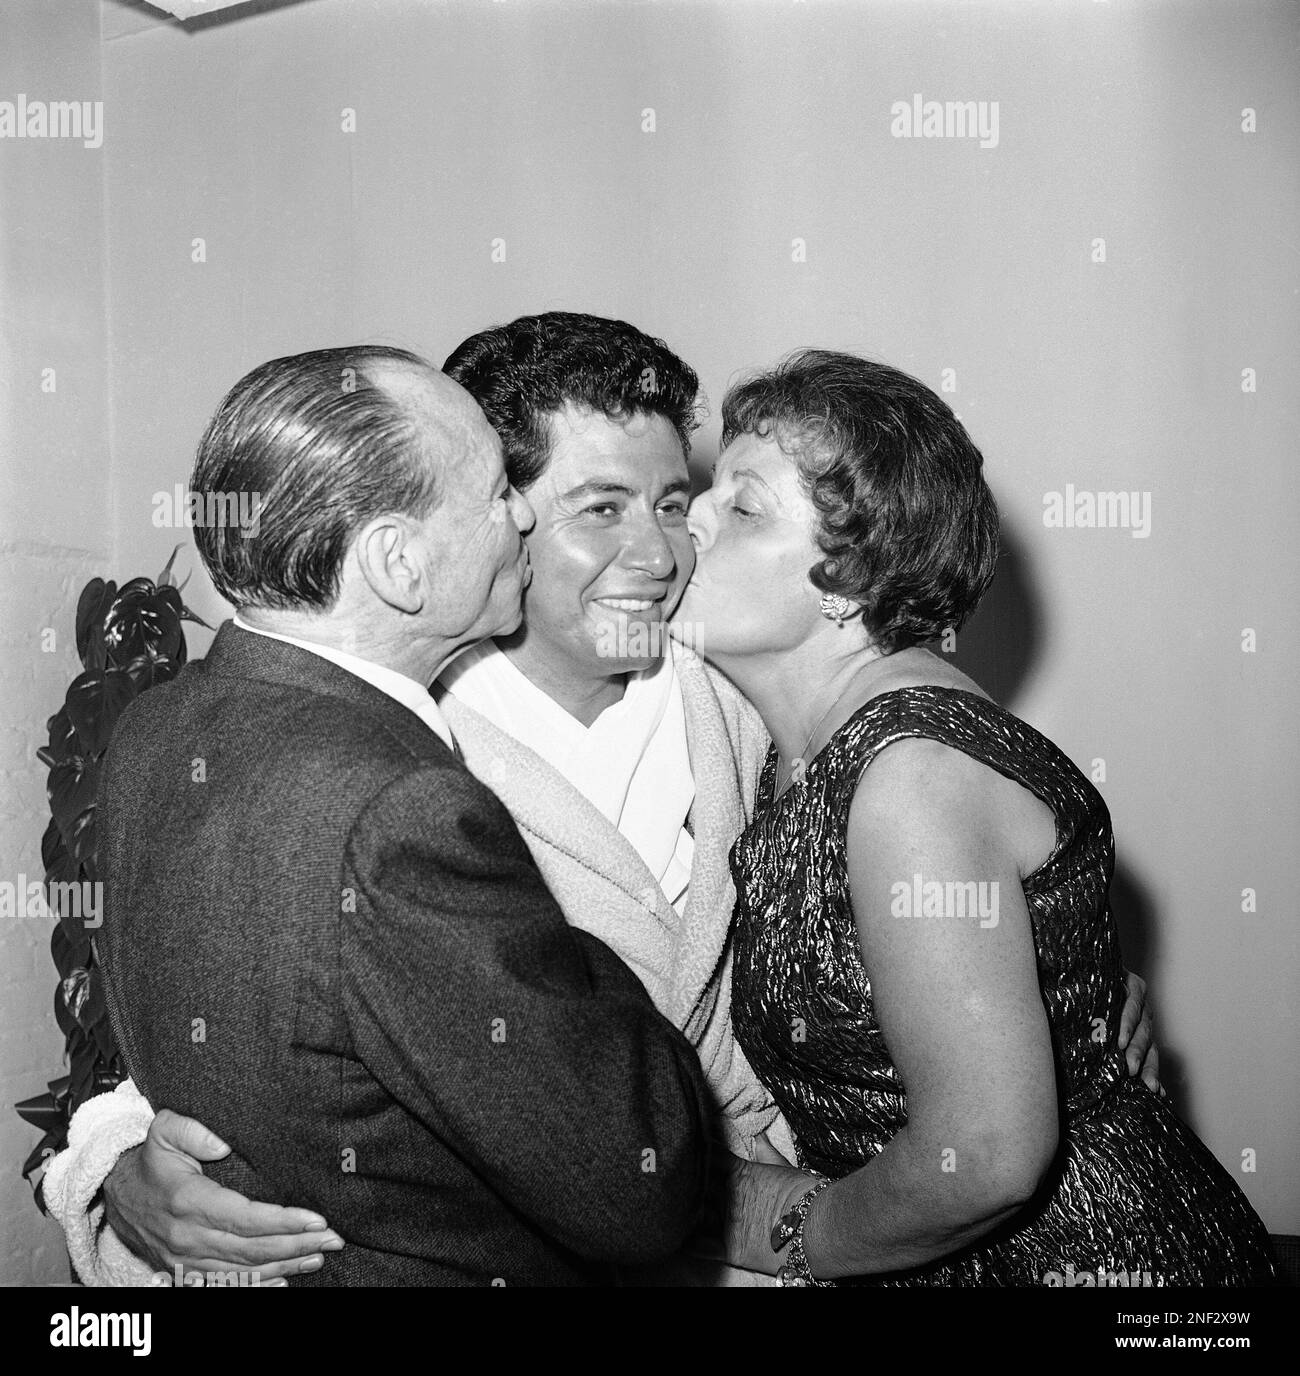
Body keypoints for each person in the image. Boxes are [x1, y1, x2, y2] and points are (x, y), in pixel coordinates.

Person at [44, 321, 1158, 1285]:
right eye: (599, 507)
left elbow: (955, 882)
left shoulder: (753, 694)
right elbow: (210, 953)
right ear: (501, 517)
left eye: (678, 501)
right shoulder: (388, 727)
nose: (663, 548)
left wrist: (1066, 1021)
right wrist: (118, 1157)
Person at [53, 345, 713, 1286]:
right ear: (400, 565)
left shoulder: (160, 723)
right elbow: (638, 1188)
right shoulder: (404, 809)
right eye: (494, 494)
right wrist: (567, 939)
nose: (520, 514)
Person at [683, 349, 1276, 1285]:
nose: (694, 516)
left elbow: (991, 1155)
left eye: (743, 506)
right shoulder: (793, 743)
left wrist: (770, 1229)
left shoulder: (911, 773)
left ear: (848, 579)